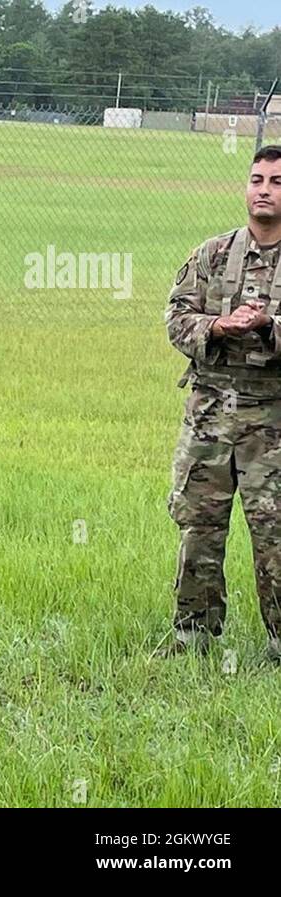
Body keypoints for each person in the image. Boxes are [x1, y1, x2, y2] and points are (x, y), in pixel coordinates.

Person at [164, 144, 281, 657]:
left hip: (273, 421)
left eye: (277, 181)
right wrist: (216, 325)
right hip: (210, 416)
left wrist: (268, 327)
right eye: (257, 179)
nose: (264, 190)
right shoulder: (212, 255)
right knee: (199, 529)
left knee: (274, 535)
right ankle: (193, 635)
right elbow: (176, 317)